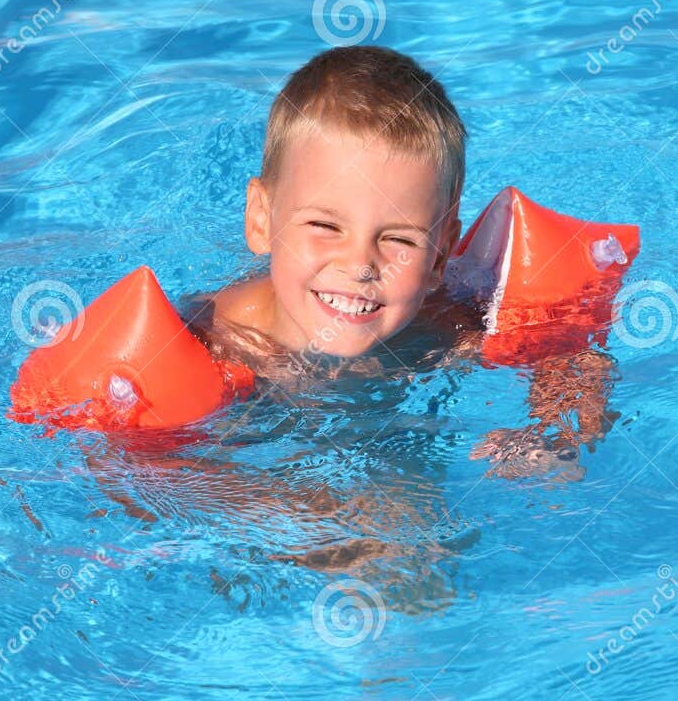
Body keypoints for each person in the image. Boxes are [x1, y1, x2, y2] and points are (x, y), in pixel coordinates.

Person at [197, 44, 617, 478]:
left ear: (439, 255)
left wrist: (550, 433)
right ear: (262, 220)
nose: (361, 264)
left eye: (398, 238)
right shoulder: (213, 337)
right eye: (325, 226)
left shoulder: (442, 327)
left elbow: (574, 363)